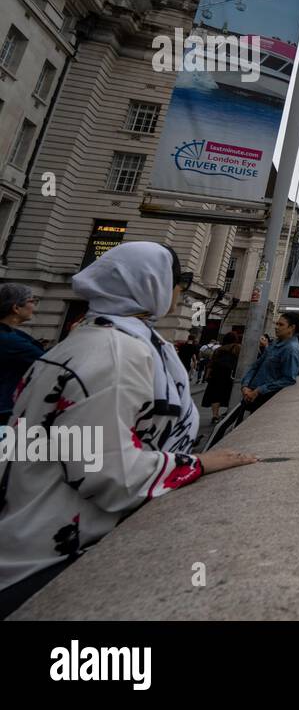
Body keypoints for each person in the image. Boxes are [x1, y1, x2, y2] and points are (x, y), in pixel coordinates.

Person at [0, 242, 256, 618]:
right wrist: (197, 463)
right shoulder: (119, 353)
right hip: (51, 555)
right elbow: (108, 473)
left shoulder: (82, 340)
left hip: (26, 529)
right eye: (176, 281)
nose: (179, 291)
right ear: (149, 284)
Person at [240, 313, 299, 414]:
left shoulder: (291, 349)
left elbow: (288, 379)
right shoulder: (275, 343)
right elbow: (256, 365)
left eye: (281, 325)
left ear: (292, 327)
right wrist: (245, 386)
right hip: (252, 395)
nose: (276, 327)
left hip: (266, 400)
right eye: (277, 324)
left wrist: (259, 390)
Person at [0, 283, 43, 422]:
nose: (34, 306)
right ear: (16, 308)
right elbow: (49, 362)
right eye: (31, 301)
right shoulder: (9, 340)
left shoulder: (12, 335)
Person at [201, 332, 240, 423]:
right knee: (230, 393)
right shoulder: (237, 347)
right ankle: (229, 412)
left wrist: (207, 375)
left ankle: (215, 415)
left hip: (216, 374)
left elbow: (211, 363)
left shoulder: (218, 349)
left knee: (216, 395)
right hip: (229, 375)